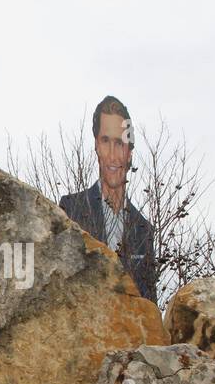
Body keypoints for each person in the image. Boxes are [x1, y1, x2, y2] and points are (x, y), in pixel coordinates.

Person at [58, 95, 157, 302]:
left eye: (120, 143)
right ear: (96, 145)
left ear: (129, 152)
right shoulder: (71, 210)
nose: (112, 155)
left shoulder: (143, 230)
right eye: (105, 141)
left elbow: (149, 306)